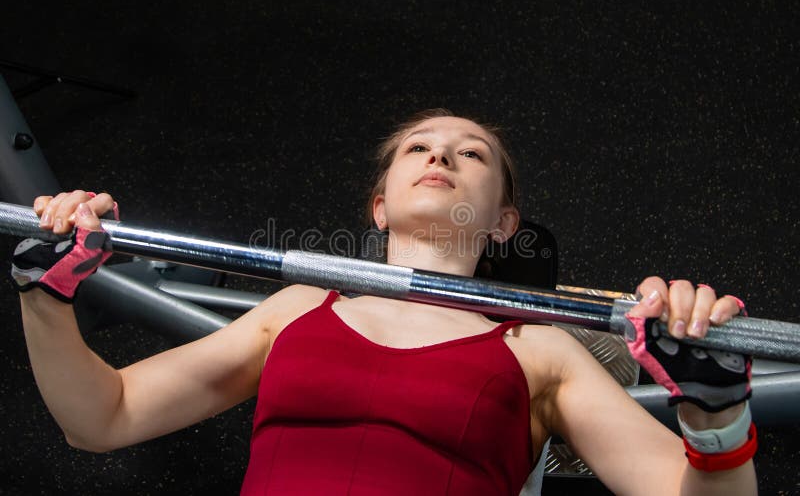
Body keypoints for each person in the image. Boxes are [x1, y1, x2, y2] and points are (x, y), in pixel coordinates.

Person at [11, 108, 757, 495]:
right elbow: (101, 417)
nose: (440, 155)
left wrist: (715, 415)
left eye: (471, 153)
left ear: (503, 222)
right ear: (379, 205)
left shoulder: (540, 348)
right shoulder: (297, 308)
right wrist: (44, 293)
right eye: (418, 147)